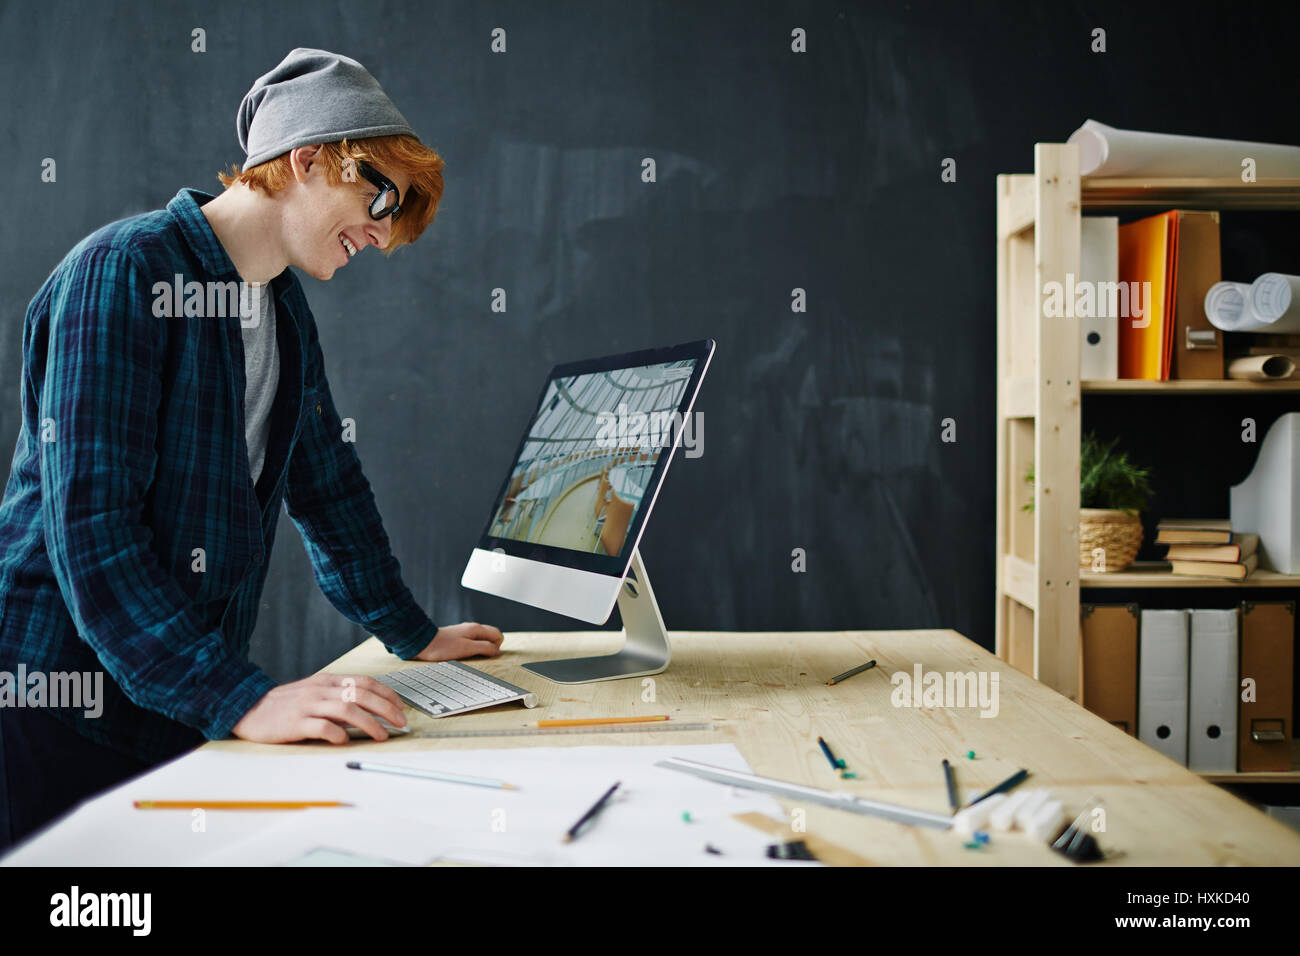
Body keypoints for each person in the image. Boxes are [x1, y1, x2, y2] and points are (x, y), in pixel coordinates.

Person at [0, 48, 502, 852]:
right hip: (58, 705)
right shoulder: (121, 273)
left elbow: (328, 490)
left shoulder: (280, 310)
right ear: (306, 159)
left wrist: (413, 635)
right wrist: (241, 698)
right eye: (379, 197)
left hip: (173, 701)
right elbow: (91, 534)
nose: (379, 234)